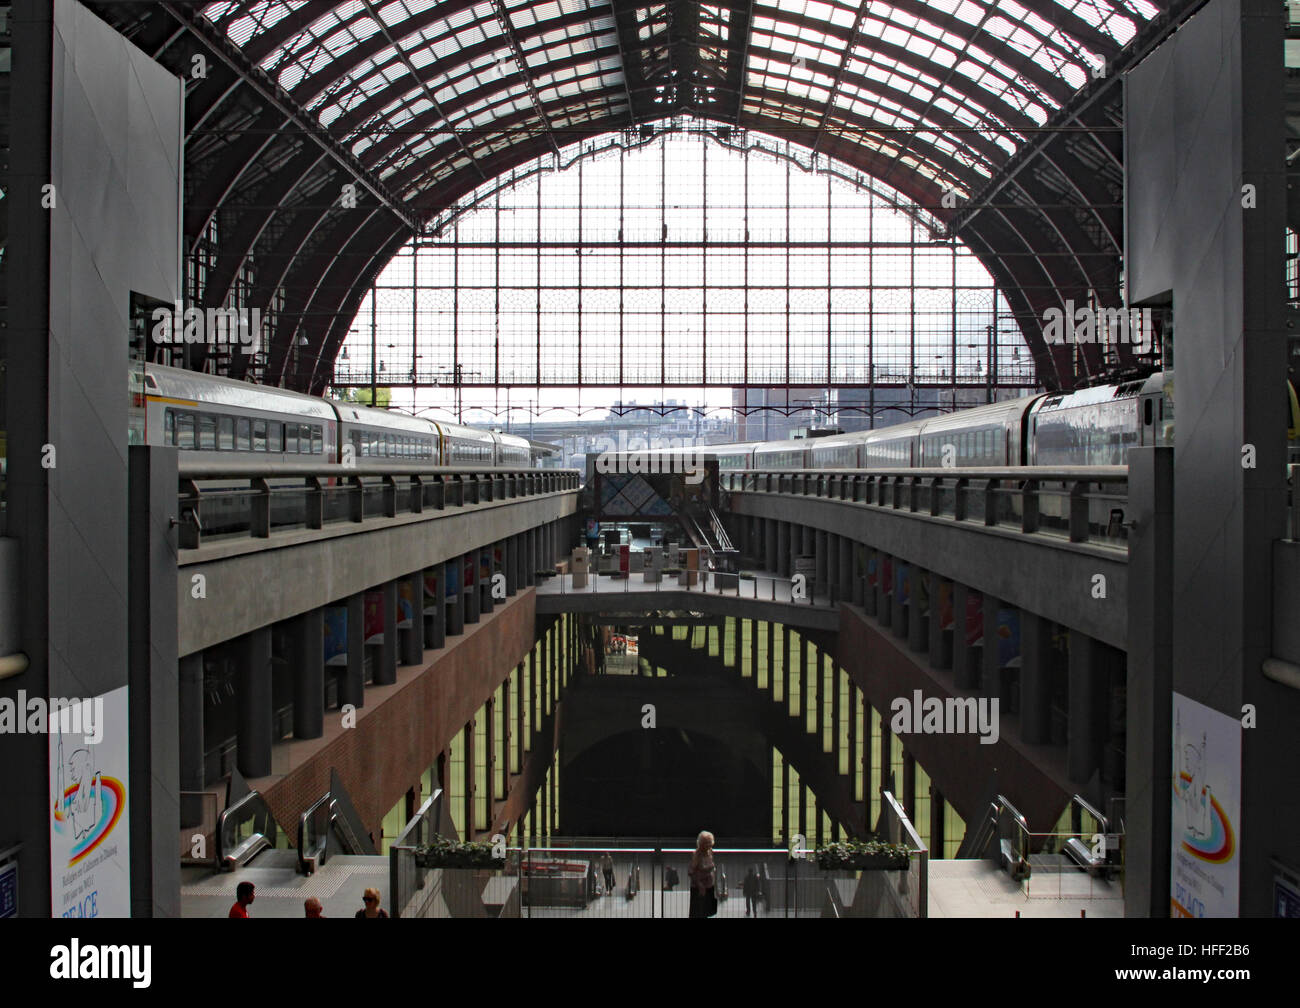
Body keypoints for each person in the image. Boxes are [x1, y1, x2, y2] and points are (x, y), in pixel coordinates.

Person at [687, 830, 717, 918]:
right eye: (706, 843)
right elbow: (691, 871)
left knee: (706, 912)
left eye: (709, 842)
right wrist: (699, 885)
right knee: (698, 912)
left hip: (709, 886)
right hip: (699, 888)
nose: (708, 845)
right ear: (701, 843)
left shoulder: (710, 852)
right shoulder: (697, 854)